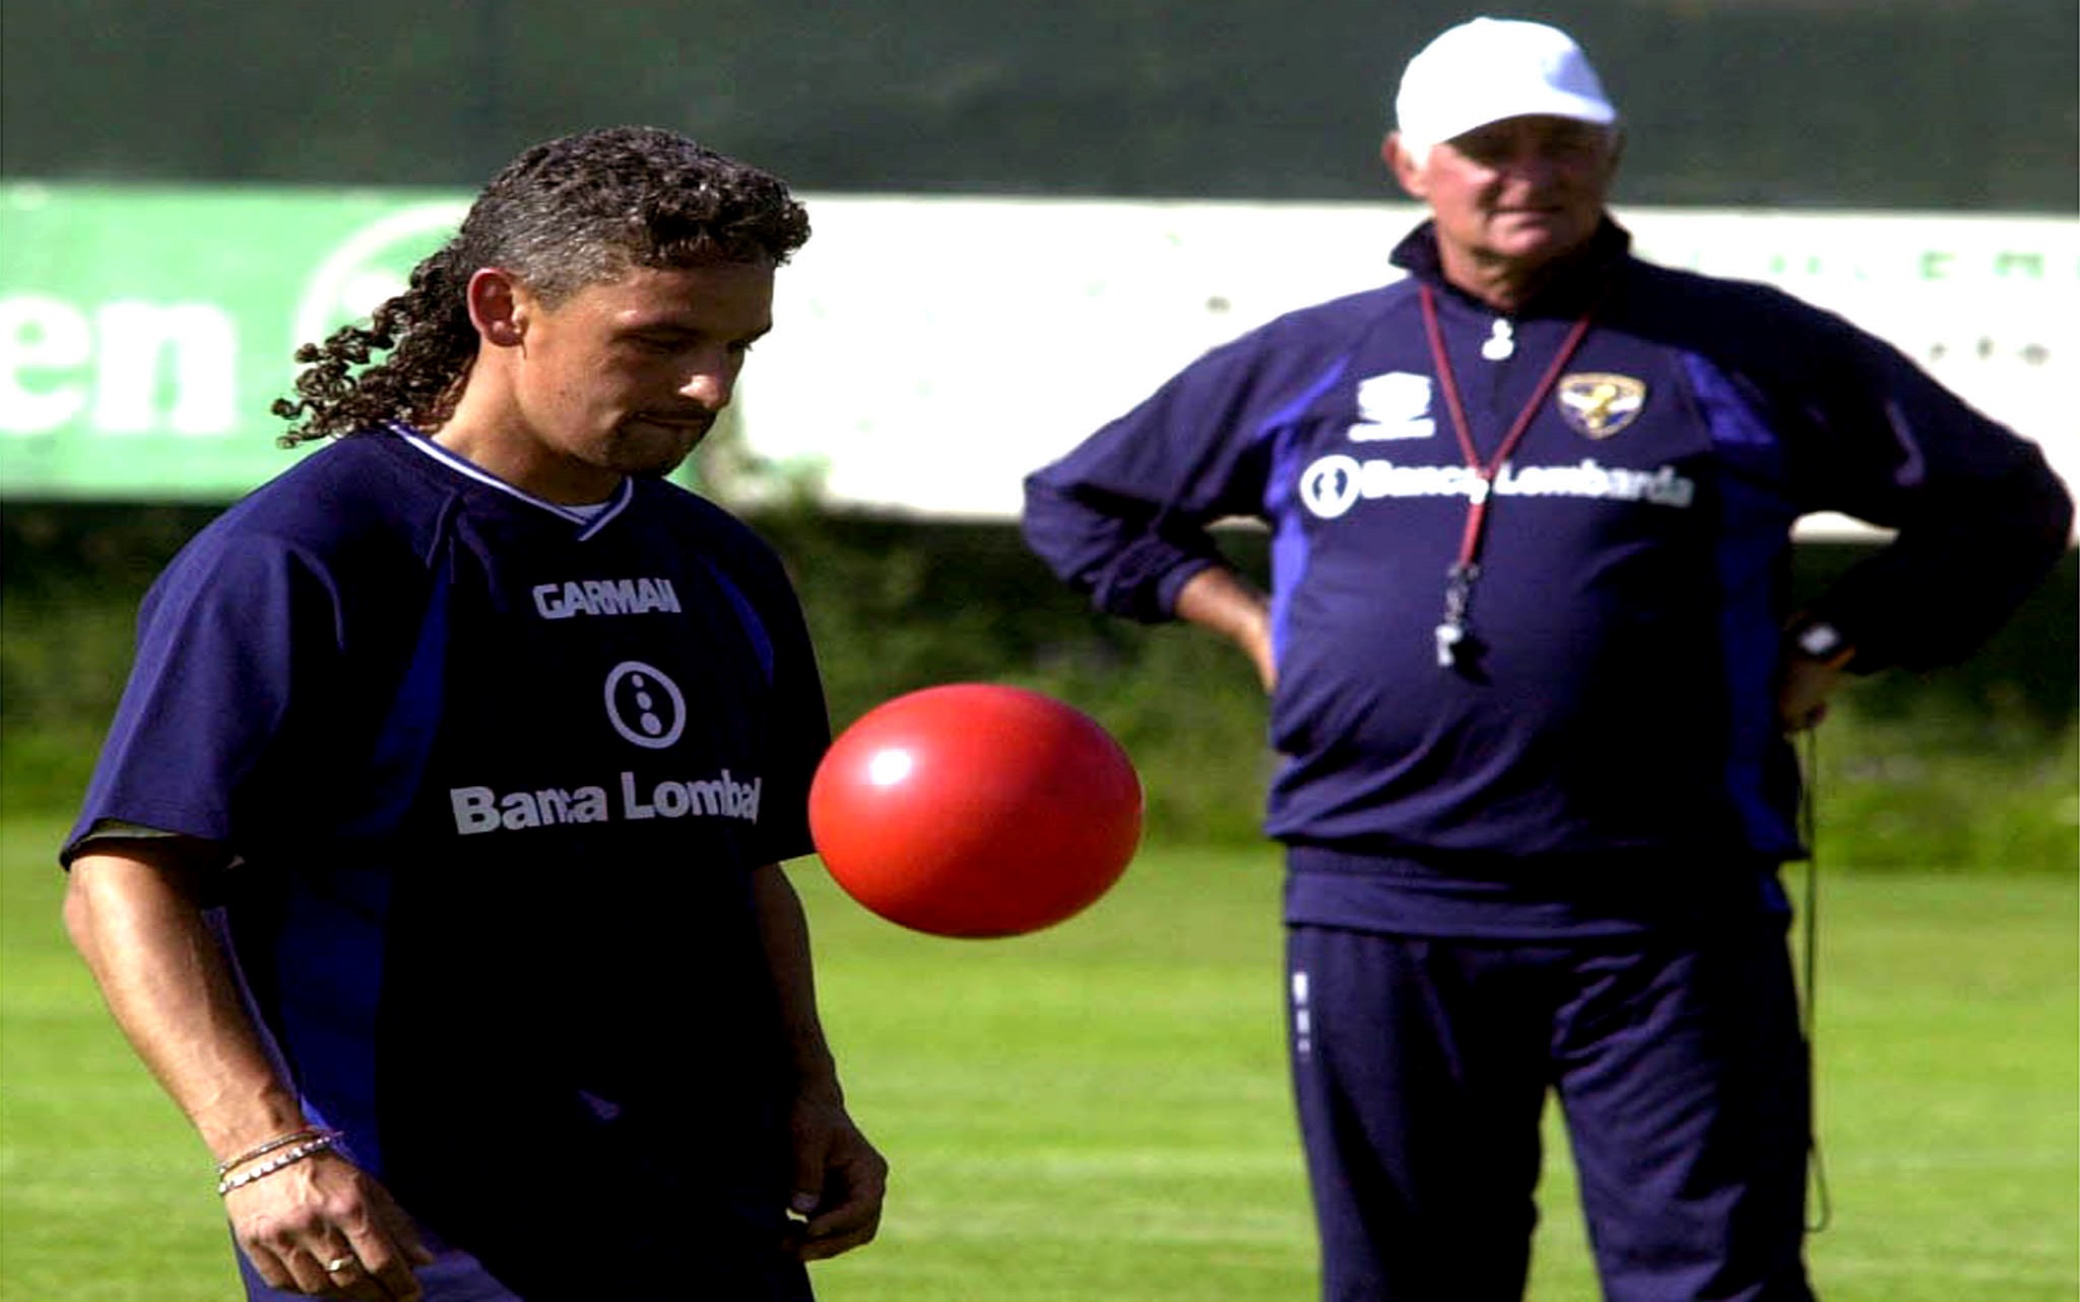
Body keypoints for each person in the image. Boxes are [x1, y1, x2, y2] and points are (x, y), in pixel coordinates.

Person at [1022, 18, 2071, 1302]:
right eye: (1490, 148)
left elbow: (2003, 506)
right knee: (1410, 1279)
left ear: (1611, 154)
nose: (1530, 173)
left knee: (1712, 1283)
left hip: (1668, 905)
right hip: (1380, 895)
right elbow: (1084, 503)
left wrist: (1830, 640)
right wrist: (1244, 620)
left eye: (1562, 144)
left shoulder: (1743, 348)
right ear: (1411, 164)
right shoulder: (1319, 356)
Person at [61, 126, 886, 1302]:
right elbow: (126, 879)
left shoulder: (723, 565)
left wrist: (813, 1088)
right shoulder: (306, 558)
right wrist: (265, 1147)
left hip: (716, 1216)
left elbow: (744, 863)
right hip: (425, 1241)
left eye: (734, 347)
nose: (706, 385)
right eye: (661, 340)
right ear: (505, 308)